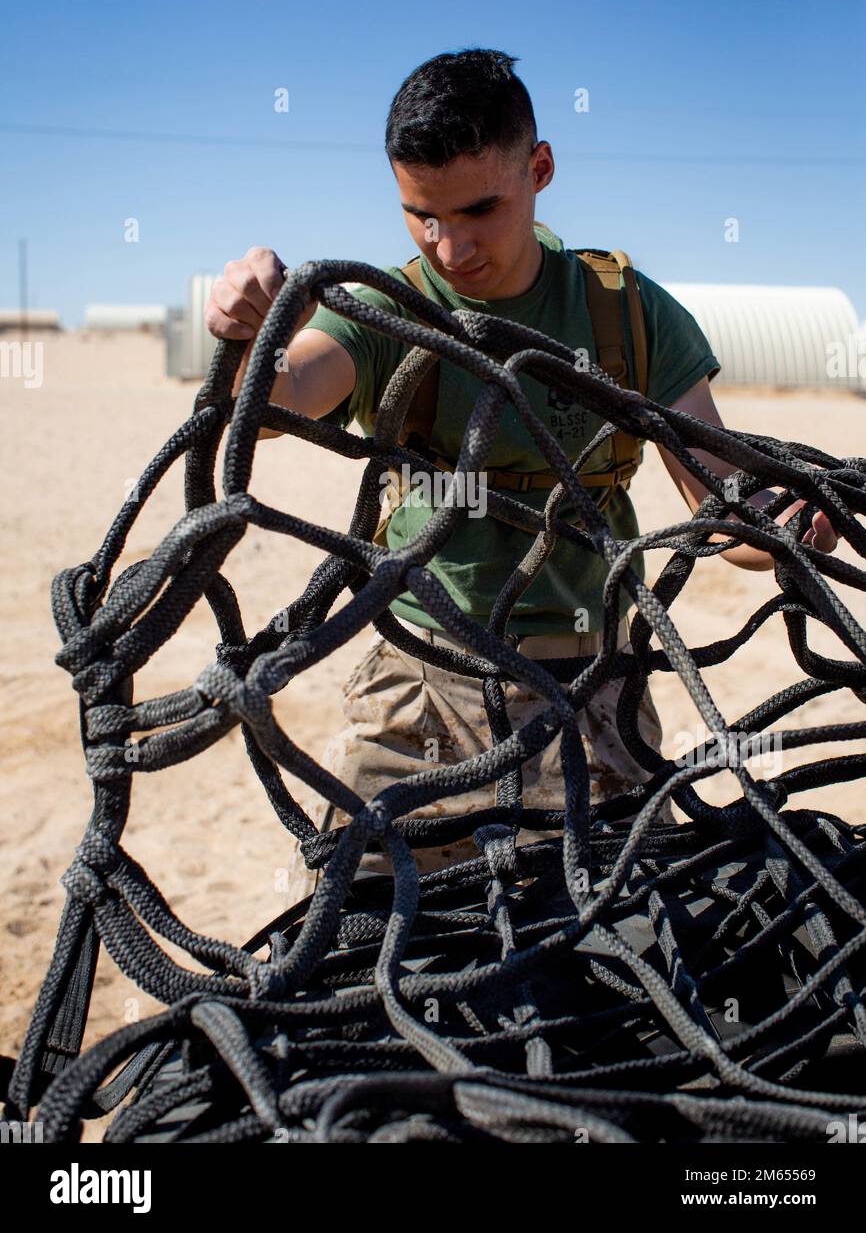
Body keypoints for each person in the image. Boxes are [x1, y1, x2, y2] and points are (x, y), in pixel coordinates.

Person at [204, 48, 838, 887]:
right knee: (355, 925)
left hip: (594, 693)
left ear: (539, 170)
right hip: (420, 686)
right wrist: (246, 337)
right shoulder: (394, 311)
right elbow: (280, 401)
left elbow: (725, 503)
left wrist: (787, 528)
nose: (450, 247)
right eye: (421, 216)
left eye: (478, 210)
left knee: (607, 950)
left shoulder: (625, 312)